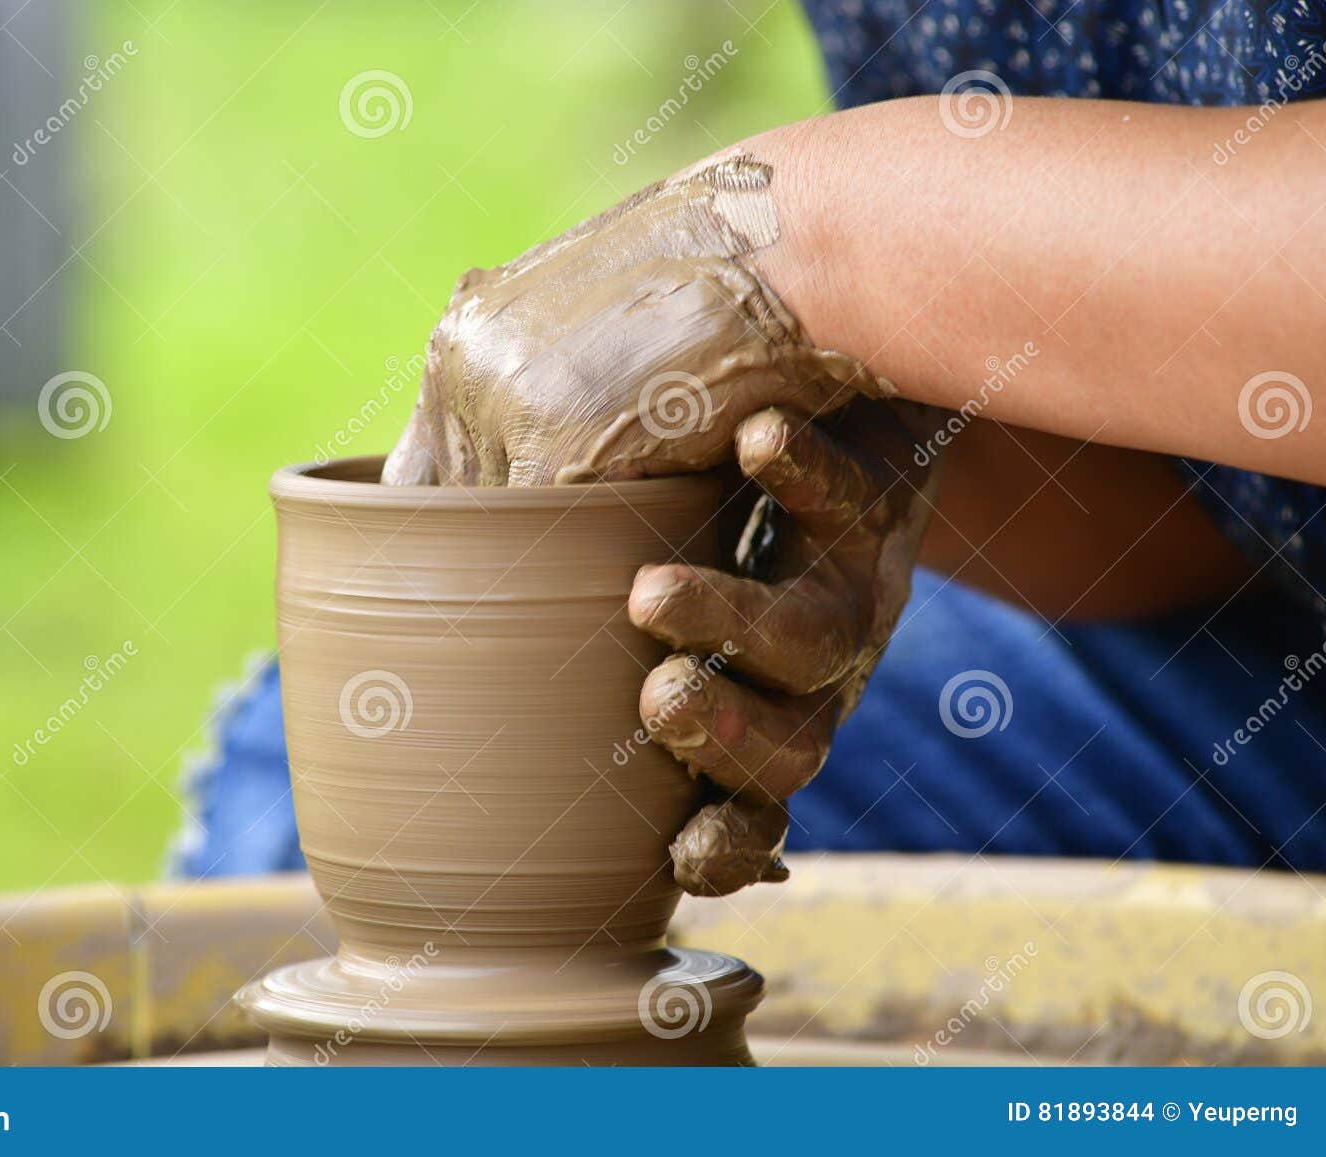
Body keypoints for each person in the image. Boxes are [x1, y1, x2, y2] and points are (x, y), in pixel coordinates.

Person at [171, 2, 1326, 887]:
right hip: (1271, 639)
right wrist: (885, 425)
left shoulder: (825, 239)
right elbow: (1199, 530)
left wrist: (814, 251)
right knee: (402, 789)